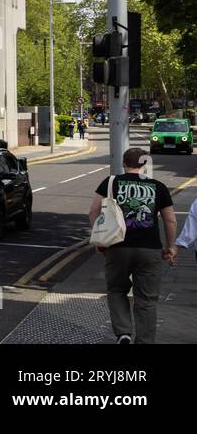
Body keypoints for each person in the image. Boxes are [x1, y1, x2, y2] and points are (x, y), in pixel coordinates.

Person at [88, 147, 178, 344]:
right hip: (150, 248)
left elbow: (94, 211)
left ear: (124, 163)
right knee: (146, 299)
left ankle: (123, 333)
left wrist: (100, 239)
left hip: (117, 246)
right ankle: (144, 341)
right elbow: (170, 221)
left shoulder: (111, 182)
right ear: (145, 165)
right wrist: (171, 247)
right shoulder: (158, 186)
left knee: (116, 290)